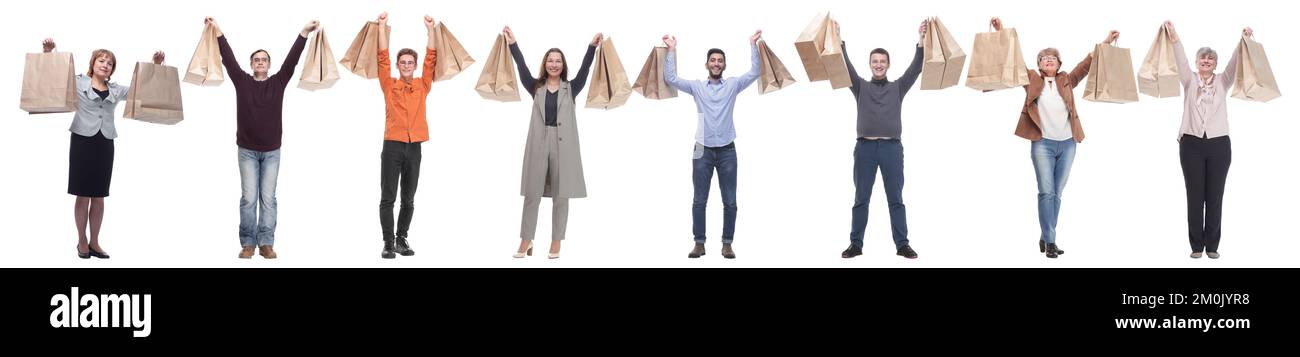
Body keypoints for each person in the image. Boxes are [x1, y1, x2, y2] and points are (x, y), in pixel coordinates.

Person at [987, 17, 1118, 258]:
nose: (1048, 60)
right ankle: (1051, 242)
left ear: (1059, 63)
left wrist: (1106, 42)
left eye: (1053, 57)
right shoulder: (1031, 80)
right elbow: (1014, 61)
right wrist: (1001, 31)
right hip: (1042, 144)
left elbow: (1087, 64)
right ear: (1039, 64)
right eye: (1044, 58)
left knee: (1057, 193)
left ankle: (1045, 235)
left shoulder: (1067, 79)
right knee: (1046, 191)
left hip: (1068, 143)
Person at [41, 38, 165, 259]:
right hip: (82, 141)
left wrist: (155, 66)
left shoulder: (116, 90)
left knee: (99, 196)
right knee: (82, 194)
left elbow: (142, 89)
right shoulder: (79, 82)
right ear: (93, 63)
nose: (105, 65)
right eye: (102, 60)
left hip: (105, 143)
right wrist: (49, 52)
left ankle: (95, 242)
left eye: (109, 63)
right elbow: (54, 76)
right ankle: (81, 241)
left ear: (111, 70)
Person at [206, 17, 319, 259]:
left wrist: (303, 33)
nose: (260, 62)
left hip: (271, 151)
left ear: (268, 64)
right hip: (246, 150)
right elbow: (228, 59)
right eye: (256, 59)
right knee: (248, 198)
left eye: (264, 59)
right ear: (251, 64)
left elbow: (292, 61)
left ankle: (266, 242)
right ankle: (248, 243)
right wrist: (218, 32)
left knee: (268, 198)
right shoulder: (242, 81)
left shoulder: (278, 82)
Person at [662, 30, 763, 259]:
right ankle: (699, 243)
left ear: (724, 65)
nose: (716, 64)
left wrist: (752, 45)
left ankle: (727, 243)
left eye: (720, 61)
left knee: (730, 201)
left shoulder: (733, 85)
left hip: (727, 149)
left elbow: (756, 72)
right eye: (713, 60)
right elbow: (672, 79)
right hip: (702, 149)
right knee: (699, 199)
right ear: (707, 64)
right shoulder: (697, 87)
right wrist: (671, 50)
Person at [503, 26, 601, 259]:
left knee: (562, 193)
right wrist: (513, 43)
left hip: (564, 145)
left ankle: (556, 241)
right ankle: (526, 240)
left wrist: (592, 47)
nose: (554, 64)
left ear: (563, 65)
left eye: (558, 61)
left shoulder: (571, 88)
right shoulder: (535, 86)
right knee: (532, 193)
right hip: (539, 142)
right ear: (545, 64)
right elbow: (522, 67)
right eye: (550, 60)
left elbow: (586, 70)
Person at [834, 19, 926, 260]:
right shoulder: (860, 87)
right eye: (875, 61)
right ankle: (856, 244)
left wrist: (921, 40)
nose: (878, 65)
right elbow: (846, 68)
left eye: (882, 61)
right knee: (861, 199)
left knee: (896, 199)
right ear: (870, 64)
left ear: (888, 65)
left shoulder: (898, 87)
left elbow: (916, 68)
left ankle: (902, 244)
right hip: (864, 148)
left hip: (891, 149)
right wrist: (839, 40)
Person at [1164, 21, 1250, 260]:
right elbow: (1179, 58)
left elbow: (1235, 64)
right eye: (1202, 59)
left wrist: (1243, 40)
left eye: (1210, 60)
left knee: (1214, 197)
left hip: (1219, 145)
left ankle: (1212, 245)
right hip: (1191, 144)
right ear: (1196, 63)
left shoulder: (1223, 82)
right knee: (1195, 196)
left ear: (1215, 64)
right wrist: (1174, 36)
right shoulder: (1190, 81)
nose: (1206, 62)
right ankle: (1196, 246)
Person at [375, 12, 438, 259]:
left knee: (409, 198)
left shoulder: (423, 85)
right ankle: (388, 242)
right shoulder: (389, 84)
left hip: (414, 148)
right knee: (388, 197)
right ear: (398, 65)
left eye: (411, 62)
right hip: (392, 145)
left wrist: (430, 29)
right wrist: (381, 27)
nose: (407, 66)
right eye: (403, 62)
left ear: (414, 65)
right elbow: (382, 58)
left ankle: (402, 238)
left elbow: (431, 59)